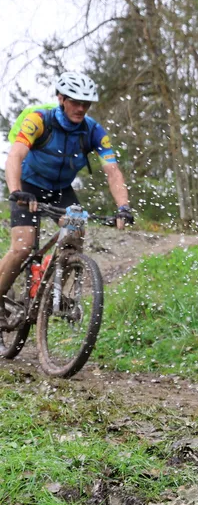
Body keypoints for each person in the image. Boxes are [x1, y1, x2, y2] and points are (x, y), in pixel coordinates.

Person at [0, 71, 133, 322]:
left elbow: (113, 171)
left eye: (86, 103)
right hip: (28, 186)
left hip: (61, 189)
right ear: (61, 98)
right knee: (23, 246)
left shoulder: (93, 131)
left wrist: (123, 207)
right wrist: (16, 190)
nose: (81, 108)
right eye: (75, 101)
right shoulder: (39, 120)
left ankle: (55, 287)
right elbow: (15, 155)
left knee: (75, 231)